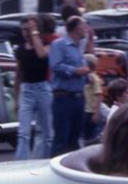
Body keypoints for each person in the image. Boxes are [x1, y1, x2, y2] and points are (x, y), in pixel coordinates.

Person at [12, 15, 53, 160]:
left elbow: (41, 54)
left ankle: (41, 161)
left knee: (46, 132)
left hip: (42, 88)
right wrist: (16, 99)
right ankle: (21, 164)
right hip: (26, 89)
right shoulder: (20, 49)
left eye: (28, 29)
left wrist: (34, 32)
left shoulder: (46, 44)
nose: (26, 33)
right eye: (23, 30)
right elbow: (18, 74)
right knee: (23, 133)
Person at [49, 16, 91, 156]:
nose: (86, 29)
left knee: (75, 138)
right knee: (61, 138)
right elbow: (56, 66)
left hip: (78, 97)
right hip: (64, 97)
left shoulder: (79, 46)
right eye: (84, 26)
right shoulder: (59, 45)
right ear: (76, 28)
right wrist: (76, 71)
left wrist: (87, 76)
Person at [82, 54, 104, 144]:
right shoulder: (85, 77)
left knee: (90, 136)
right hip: (84, 110)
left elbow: (99, 95)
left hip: (90, 111)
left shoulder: (94, 78)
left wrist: (96, 113)